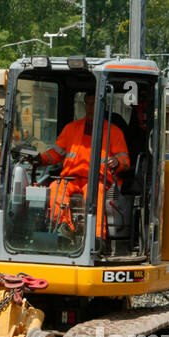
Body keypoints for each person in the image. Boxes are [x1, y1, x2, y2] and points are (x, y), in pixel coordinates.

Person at [37, 92, 130, 235]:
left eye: (95, 103)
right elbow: (55, 154)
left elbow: (125, 160)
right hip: (70, 179)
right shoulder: (71, 129)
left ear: (103, 106)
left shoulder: (114, 132)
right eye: (89, 103)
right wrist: (39, 159)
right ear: (84, 105)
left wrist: (117, 162)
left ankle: (97, 236)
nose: (92, 107)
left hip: (97, 180)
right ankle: (64, 228)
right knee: (55, 187)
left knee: (96, 194)